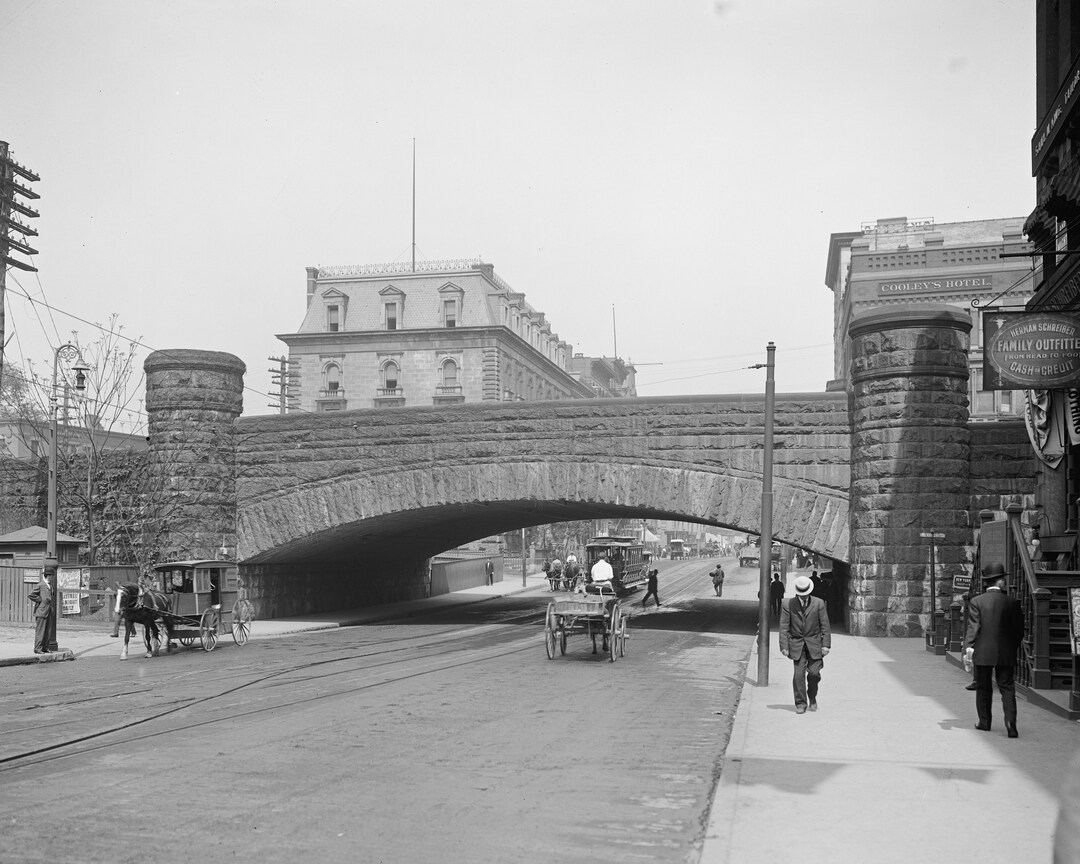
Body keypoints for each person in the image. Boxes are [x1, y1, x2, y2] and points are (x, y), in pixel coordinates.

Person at [964, 563, 1025, 738]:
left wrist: (969, 648)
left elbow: (973, 628)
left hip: (983, 652)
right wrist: (1012, 646)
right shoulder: (1012, 602)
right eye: (1003, 580)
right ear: (999, 582)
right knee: (1007, 687)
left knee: (983, 688)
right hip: (1006, 651)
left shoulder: (977, 602)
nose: (1005, 582)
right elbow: (1018, 630)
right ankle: (1011, 725)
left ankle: (984, 722)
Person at [779, 574, 831, 714]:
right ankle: (800, 703)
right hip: (796, 645)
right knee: (798, 676)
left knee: (814, 674)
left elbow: (825, 625)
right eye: (801, 594)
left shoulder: (818, 603)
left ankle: (812, 696)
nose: (803, 597)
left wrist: (826, 645)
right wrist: (784, 646)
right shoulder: (787, 604)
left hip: (815, 644)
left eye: (805, 594)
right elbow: (784, 626)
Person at [28, 573, 53, 654]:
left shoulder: (50, 585)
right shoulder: (40, 585)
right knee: (40, 630)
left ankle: (45, 647)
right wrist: (40, 600)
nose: (52, 577)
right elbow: (31, 594)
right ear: (48, 576)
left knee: (47, 630)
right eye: (51, 575)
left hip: (49, 610)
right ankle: (37, 648)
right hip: (41, 611)